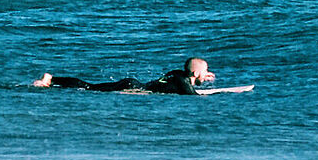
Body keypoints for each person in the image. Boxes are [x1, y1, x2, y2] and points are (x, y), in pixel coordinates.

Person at [34, 57, 217, 95]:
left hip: (133, 84)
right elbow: (191, 96)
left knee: (90, 86)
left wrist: (200, 80)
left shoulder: (178, 75)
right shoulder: (183, 80)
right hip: (131, 87)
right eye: (205, 70)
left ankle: (53, 80)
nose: (207, 73)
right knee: (88, 87)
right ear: (194, 73)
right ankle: (51, 79)